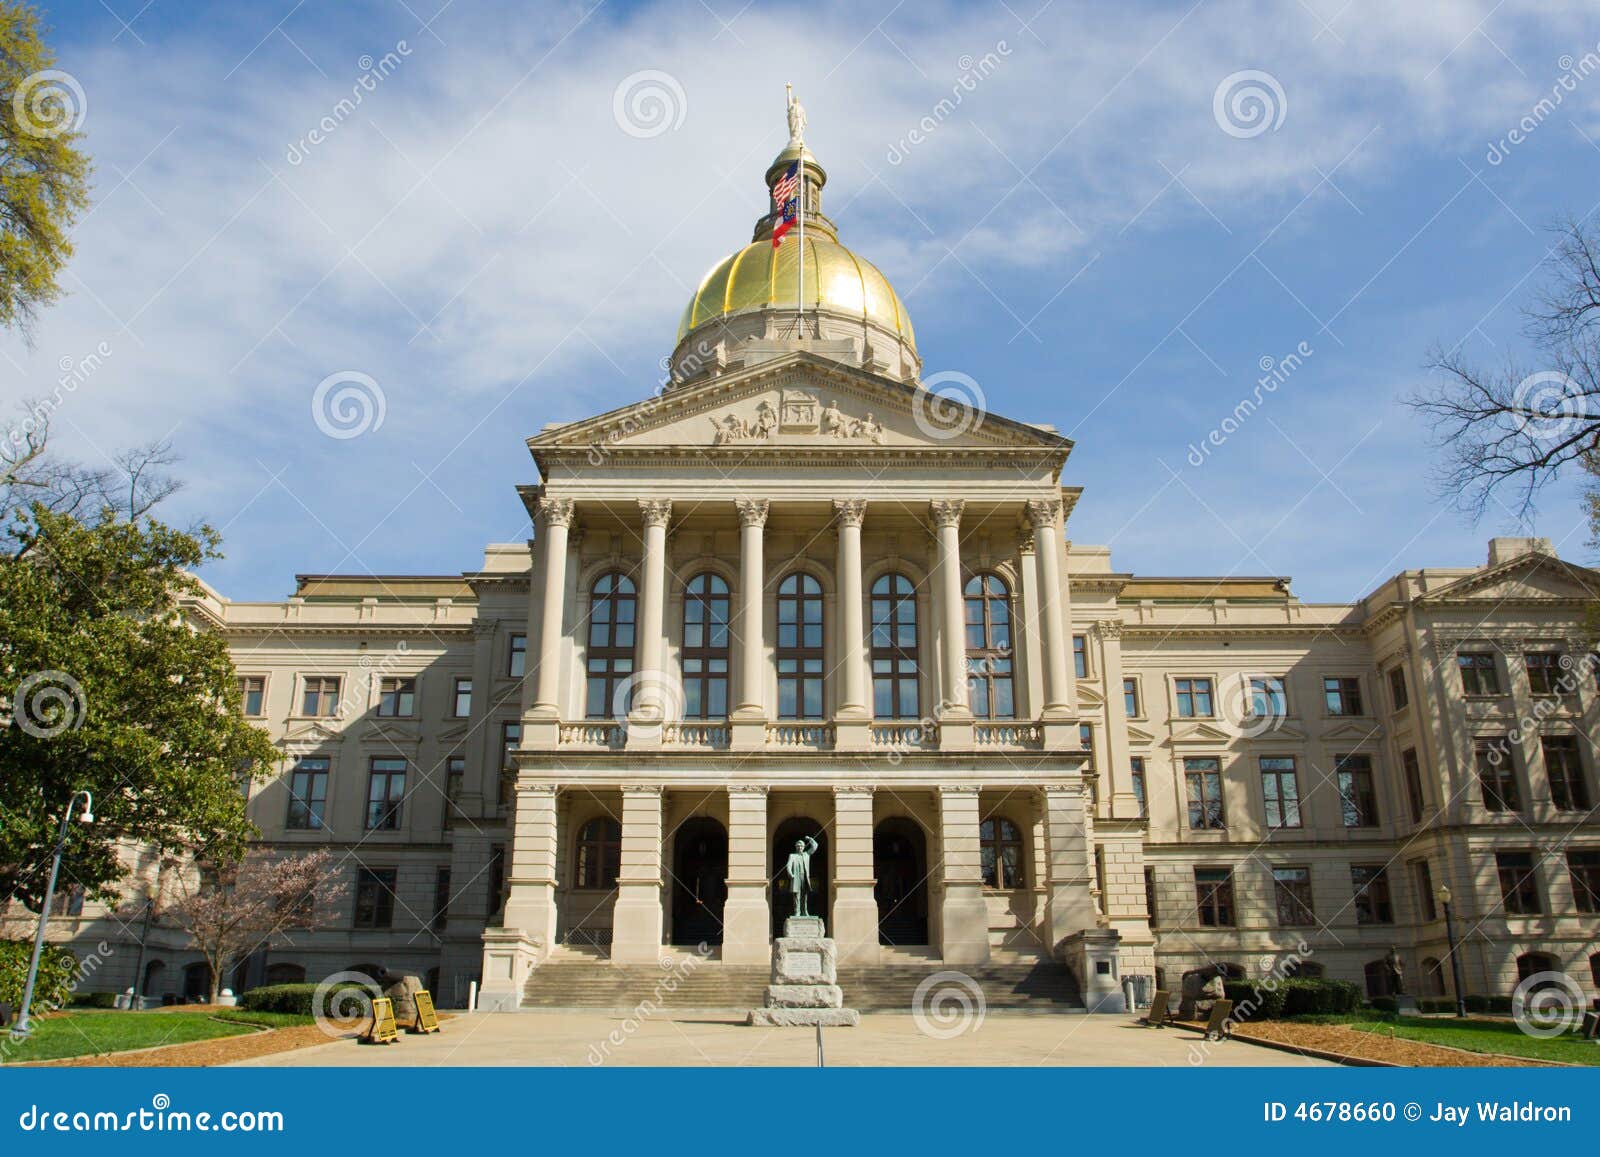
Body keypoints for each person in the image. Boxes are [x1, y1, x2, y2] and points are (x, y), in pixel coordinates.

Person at [786, 835, 819, 917]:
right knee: (797, 895)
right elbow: (788, 865)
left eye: (801, 846)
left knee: (804, 896)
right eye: (798, 846)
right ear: (796, 847)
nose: (800, 847)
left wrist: (809, 839)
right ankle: (797, 912)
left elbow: (815, 846)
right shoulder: (792, 856)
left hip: (804, 877)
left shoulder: (807, 854)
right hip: (796, 877)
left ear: (804, 847)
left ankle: (805, 911)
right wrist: (790, 873)